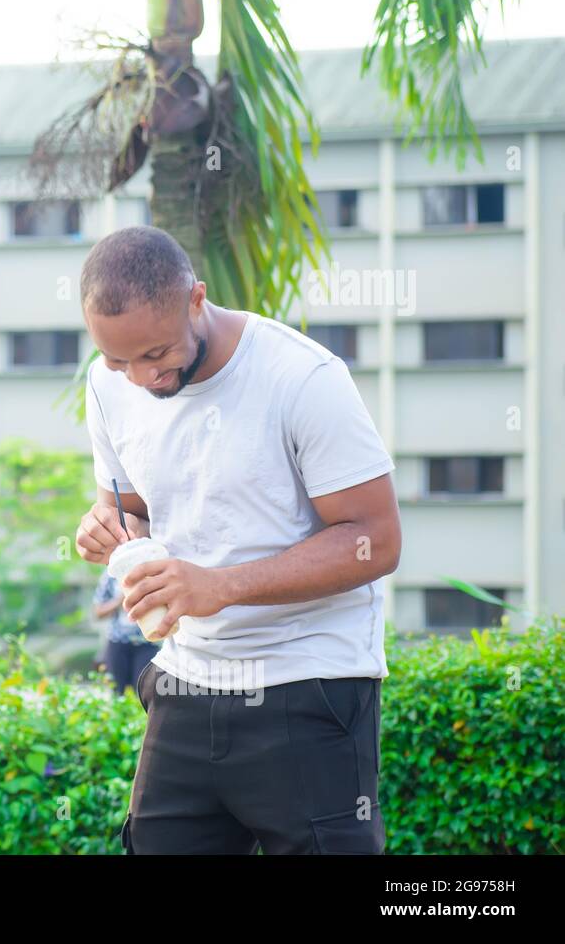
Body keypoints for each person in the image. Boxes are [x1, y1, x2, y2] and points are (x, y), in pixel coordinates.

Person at [73, 226, 401, 855]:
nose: (140, 377)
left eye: (156, 354)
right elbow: (134, 507)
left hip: (309, 684)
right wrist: (108, 527)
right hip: (183, 682)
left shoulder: (302, 377)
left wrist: (220, 587)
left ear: (197, 300)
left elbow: (376, 540)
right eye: (120, 360)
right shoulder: (107, 383)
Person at [91, 569, 159, 699]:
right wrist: (120, 601)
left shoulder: (150, 570)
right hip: (117, 642)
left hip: (146, 642)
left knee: (145, 690)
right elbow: (98, 611)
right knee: (117, 691)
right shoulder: (110, 575)